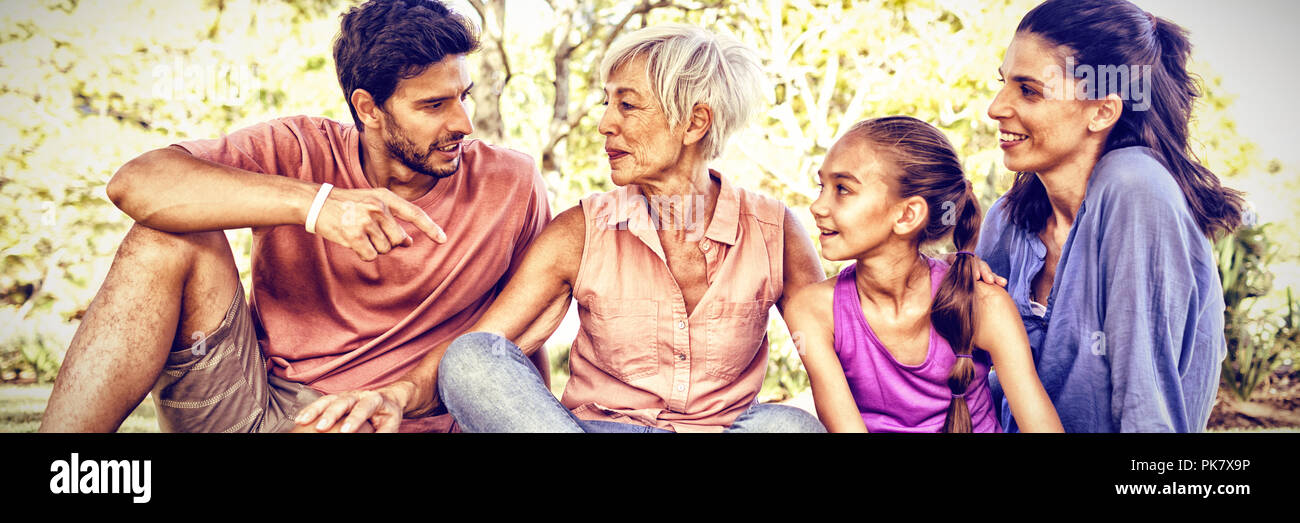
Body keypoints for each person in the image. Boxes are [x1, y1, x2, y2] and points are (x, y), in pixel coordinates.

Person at [40, 0, 552, 433]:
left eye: (463, 96)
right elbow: (134, 182)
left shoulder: (512, 182)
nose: (463, 122)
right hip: (255, 405)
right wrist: (315, 205)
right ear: (369, 108)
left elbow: (520, 329)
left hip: (389, 417)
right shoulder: (295, 149)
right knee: (164, 236)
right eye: (434, 105)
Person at [299, 23, 835, 433]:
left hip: (720, 430)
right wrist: (397, 394)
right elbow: (482, 349)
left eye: (627, 105)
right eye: (607, 103)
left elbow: (828, 357)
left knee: (788, 425)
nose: (605, 123)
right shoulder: (582, 231)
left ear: (694, 123)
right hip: (594, 428)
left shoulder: (774, 231)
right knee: (470, 359)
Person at [979, 0, 1244, 432]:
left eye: (1028, 90)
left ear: (1102, 110)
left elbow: (1146, 412)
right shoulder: (1008, 221)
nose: (995, 107)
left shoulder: (1136, 188)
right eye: (1003, 83)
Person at [784, 116, 1062, 433]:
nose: (817, 206)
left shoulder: (985, 303)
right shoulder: (813, 311)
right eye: (822, 187)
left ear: (907, 215)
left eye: (843, 189)